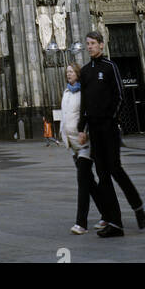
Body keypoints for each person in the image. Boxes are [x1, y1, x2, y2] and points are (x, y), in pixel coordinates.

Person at [78, 31, 145, 238]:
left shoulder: (110, 67)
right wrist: (82, 128)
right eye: (87, 44)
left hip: (108, 127)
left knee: (115, 168)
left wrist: (111, 118)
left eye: (92, 43)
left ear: (101, 44)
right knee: (102, 174)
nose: (89, 47)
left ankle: (137, 206)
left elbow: (120, 95)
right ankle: (115, 223)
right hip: (94, 129)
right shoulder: (85, 71)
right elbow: (84, 103)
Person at [60, 62, 103, 234]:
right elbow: (65, 115)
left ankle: (81, 223)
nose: (69, 74)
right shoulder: (66, 92)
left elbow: (87, 114)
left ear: (78, 73)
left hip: (85, 143)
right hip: (72, 145)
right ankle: (107, 214)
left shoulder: (84, 92)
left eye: (71, 71)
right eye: (67, 72)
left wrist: (84, 131)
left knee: (82, 181)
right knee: (90, 182)